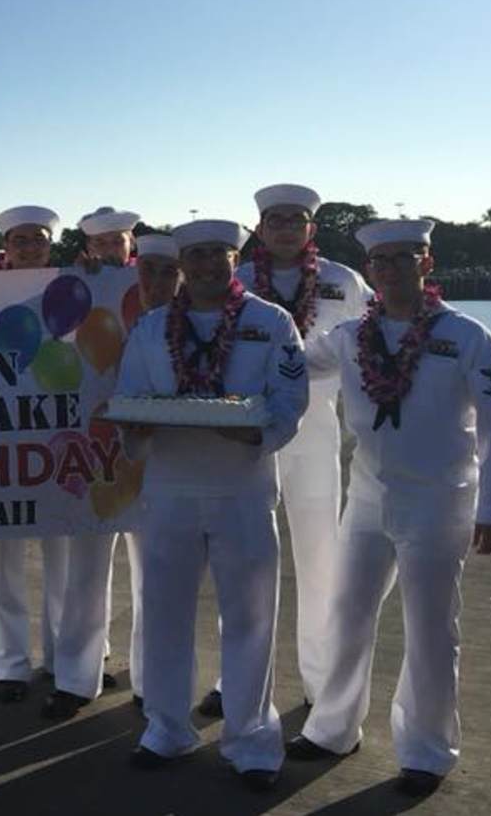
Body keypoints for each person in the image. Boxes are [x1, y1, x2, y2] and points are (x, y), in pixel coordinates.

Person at [291, 219, 491, 798]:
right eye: (381, 261)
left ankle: (426, 749)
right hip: (369, 496)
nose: (391, 269)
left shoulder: (465, 335)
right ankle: (332, 728)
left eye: (403, 257)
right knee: (346, 614)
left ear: (427, 262)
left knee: (430, 628)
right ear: (370, 272)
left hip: (439, 500)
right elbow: (290, 360)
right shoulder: (349, 337)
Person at [117, 219, 308, 791]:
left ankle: (251, 741)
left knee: (250, 619)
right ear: (181, 264)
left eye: (216, 254)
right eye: (194, 255)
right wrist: (136, 426)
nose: (204, 265)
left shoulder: (271, 323)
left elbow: (290, 398)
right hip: (169, 490)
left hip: (243, 490)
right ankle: (167, 729)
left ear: (235, 258)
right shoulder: (151, 329)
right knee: (165, 614)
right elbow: (129, 398)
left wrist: (259, 433)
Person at [198, 183, 371, 718]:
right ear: (259, 228)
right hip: (247, 433)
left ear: (310, 229)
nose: (286, 229)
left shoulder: (344, 282)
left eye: (296, 220)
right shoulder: (237, 282)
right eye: (275, 220)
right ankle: (238, 680)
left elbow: (374, 345)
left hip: (317, 431)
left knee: (320, 561)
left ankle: (320, 684)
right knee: (244, 561)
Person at [50, 232, 182, 719]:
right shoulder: (94, 293)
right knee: (86, 569)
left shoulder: (199, 320)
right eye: (148, 270)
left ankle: (153, 680)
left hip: (164, 459)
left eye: (169, 271)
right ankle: (75, 678)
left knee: (157, 573)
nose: (156, 281)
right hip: (97, 449)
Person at [0, 206, 69, 708]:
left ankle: (65, 655)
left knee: (64, 555)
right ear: (6, 248)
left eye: (38, 240)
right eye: (20, 240)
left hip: (60, 438)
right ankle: (10, 664)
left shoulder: (72, 286)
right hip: (3, 442)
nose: (30, 248)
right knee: (6, 561)